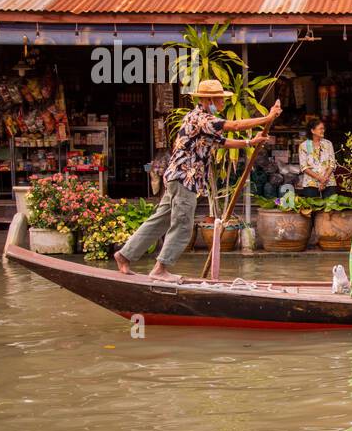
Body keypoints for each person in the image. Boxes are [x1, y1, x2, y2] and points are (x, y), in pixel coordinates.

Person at [115, 80, 279, 282]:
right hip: (185, 179)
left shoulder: (199, 119)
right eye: (220, 99)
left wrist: (249, 142)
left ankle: (124, 255)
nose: (223, 103)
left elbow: (221, 142)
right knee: (182, 225)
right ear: (210, 99)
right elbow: (234, 125)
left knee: (160, 220)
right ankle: (160, 268)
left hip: (177, 178)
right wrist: (267, 118)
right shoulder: (202, 118)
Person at [297, 119, 337, 198]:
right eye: (320, 128)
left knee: (330, 208)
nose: (323, 130)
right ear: (312, 130)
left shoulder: (328, 144)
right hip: (310, 183)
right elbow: (304, 167)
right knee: (312, 209)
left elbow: (332, 163)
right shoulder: (304, 146)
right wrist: (319, 178)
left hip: (328, 182)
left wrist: (324, 179)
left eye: (323, 128)